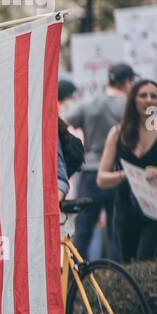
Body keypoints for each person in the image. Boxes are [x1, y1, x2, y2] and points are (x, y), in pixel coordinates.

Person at [96, 78, 157, 261]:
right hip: (126, 210)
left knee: (145, 260)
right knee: (128, 267)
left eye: (154, 96)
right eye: (143, 95)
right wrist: (126, 175)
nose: (149, 100)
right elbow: (101, 178)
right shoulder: (118, 132)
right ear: (133, 99)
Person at [67, 63, 135, 259]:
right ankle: (115, 280)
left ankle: (75, 280)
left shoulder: (90, 103)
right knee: (117, 232)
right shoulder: (129, 107)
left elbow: (63, 121)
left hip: (90, 171)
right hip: (117, 174)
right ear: (127, 82)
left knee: (83, 230)